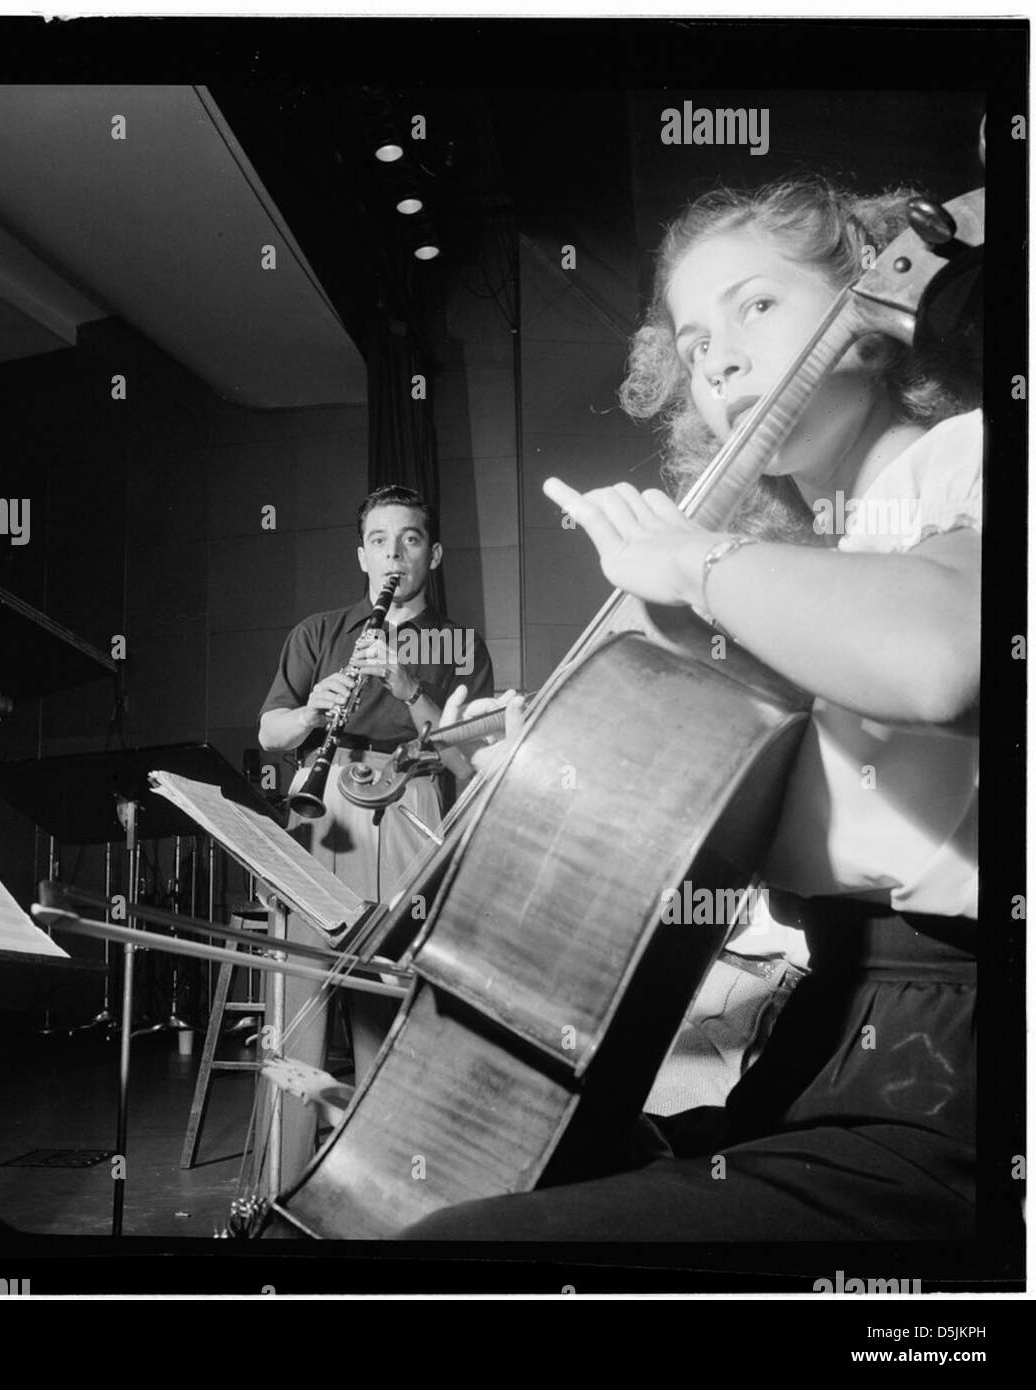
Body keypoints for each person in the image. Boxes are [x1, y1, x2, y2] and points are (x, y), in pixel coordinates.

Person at [402, 177, 981, 1242]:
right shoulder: (811, 578)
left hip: (956, 1073)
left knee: (457, 1252)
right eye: (692, 338)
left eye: (757, 306)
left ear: (870, 312)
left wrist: (695, 557)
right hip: (827, 1044)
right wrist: (566, 772)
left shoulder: (966, 457)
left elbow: (946, 653)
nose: (716, 357)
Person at [258, 484, 494, 1184]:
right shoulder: (317, 631)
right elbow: (270, 733)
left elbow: (465, 755)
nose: (395, 552)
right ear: (362, 553)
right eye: (381, 539)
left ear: (434, 553)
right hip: (324, 805)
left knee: (393, 990)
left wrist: (403, 683)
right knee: (302, 987)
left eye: (411, 538)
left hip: (412, 799)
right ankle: (285, 1181)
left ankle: (389, 1175)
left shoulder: (461, 643)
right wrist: (310, 714)